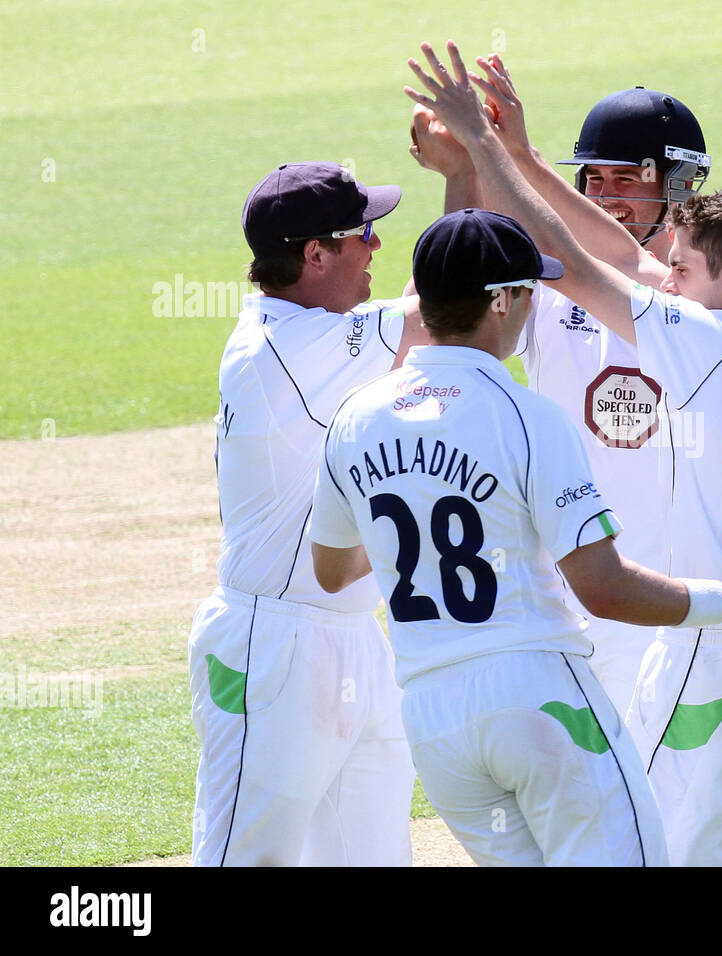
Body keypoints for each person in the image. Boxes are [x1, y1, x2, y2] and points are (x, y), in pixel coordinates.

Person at [404, 41, 722, 866]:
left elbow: (581, 259)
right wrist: (516, 154)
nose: (664, 278)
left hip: (706, 632)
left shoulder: (703, 345)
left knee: (641, 847)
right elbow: (627, 258)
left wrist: (485, 150)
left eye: (683, 270)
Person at [308, 207, 722, 866]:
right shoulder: (530, 417)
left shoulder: (356, 418)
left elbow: (334, 570)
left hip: (433, 719)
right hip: (537, 701)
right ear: (503, 300)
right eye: (528, 287)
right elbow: (604, 589)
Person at [409, 70, 712, 718]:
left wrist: (504, 149)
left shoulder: (695, 300)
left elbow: (597, 257)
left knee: (659, 808)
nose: (606, 197)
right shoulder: (543, 294)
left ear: (682, 184)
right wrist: (462, 171)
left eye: (626, 180)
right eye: (593, 180)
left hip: (667, 600)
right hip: (559, 603)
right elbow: (460, 294)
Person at [187, 161, 426, 866]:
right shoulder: (285, 351)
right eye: (363, 232)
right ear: (314, 254)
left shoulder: (319, 340)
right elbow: (438, 304)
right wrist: (474, 158)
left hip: (352, 636)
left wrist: (468, 168)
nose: (377, 246)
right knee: (246, 858)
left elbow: (428, 306)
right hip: (273, 645)